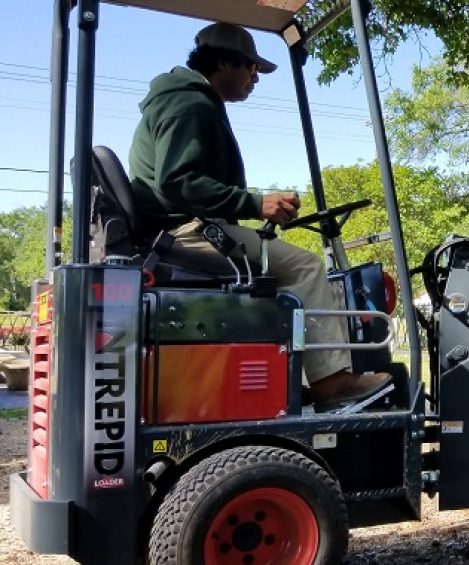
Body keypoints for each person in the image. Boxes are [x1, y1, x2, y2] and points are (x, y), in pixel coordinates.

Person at [127, 22, 392, 411]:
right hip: (184, 235)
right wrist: (256, 204)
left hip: (178, 231)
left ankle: (292, 379)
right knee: (305, 268)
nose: (256, 77)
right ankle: (331, 382)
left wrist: (253, 207)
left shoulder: (183, 99)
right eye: (251, 67)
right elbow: (177, 181)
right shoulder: (191, 104)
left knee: (282, 267)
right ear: (224, 62)